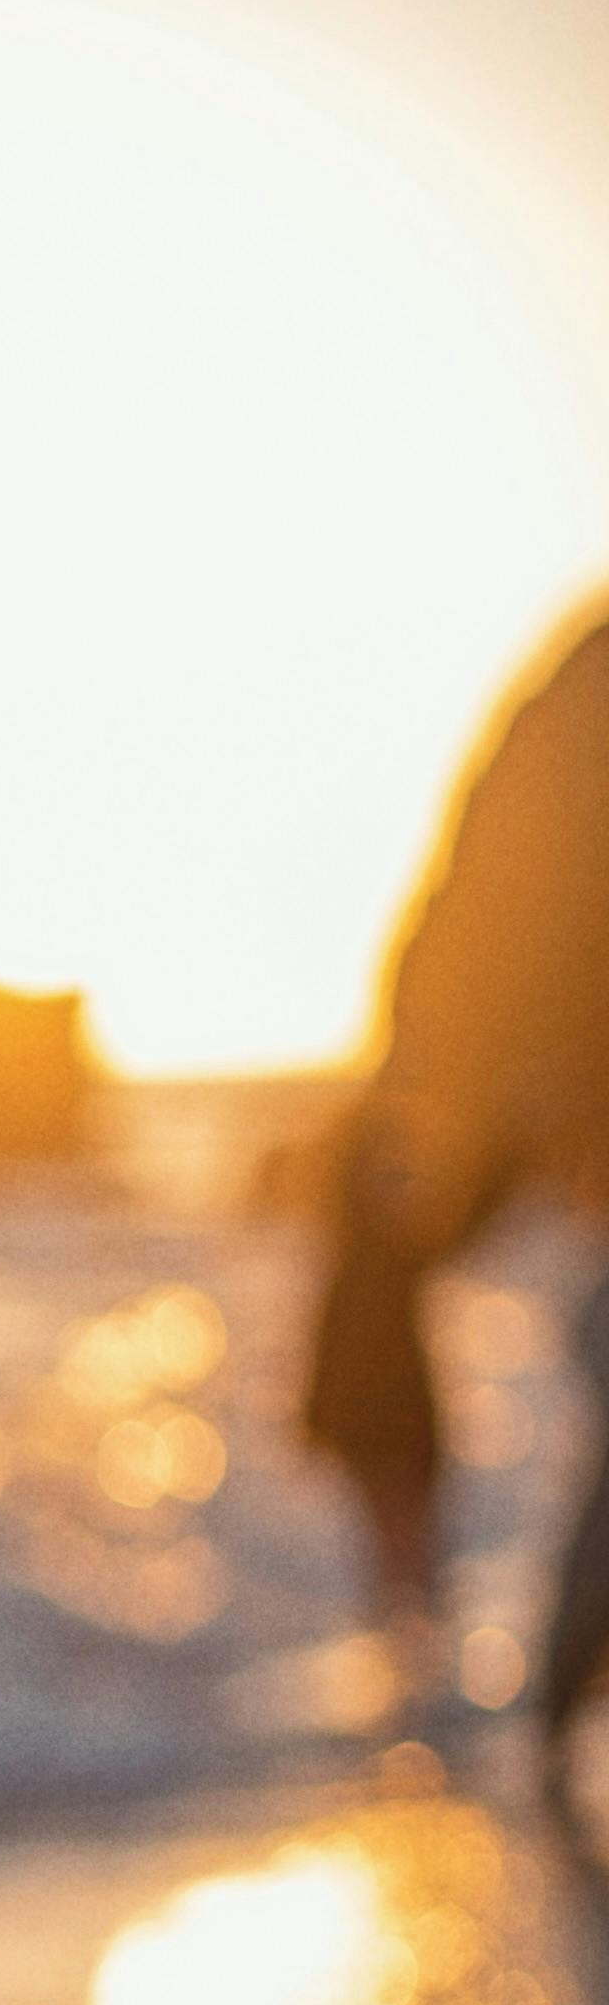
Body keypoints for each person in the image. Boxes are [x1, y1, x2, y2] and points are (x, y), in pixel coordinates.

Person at [301, 602, 609, 1799]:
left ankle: (454, 1696)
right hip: (398, 1379)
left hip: (400, 1375)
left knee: (412, 1527)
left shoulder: (373, 1227)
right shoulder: (375, 1229)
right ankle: (482, 1706)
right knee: (412, 1525)